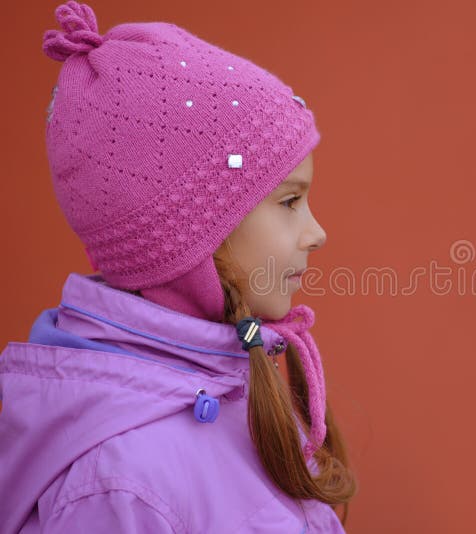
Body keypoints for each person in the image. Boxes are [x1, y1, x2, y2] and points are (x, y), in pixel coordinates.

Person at [0, 2, 358, 532]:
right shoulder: (120, 485)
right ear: (188, 233)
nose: (317, 233)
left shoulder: (236, 383)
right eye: (288, 202)